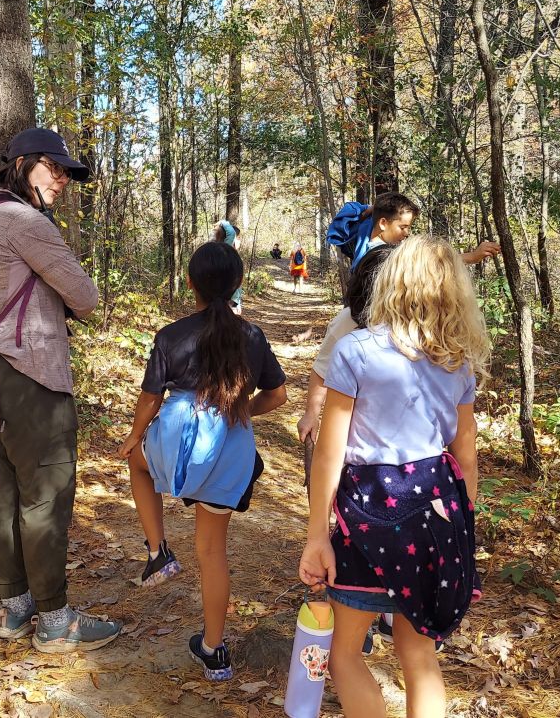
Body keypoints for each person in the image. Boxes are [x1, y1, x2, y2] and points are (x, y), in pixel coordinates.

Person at [299, 235, 490, 718]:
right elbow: (465, 459)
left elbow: (330, 453)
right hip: (436, 512)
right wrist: (464, 538)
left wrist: (316, 536)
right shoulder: (458, 361)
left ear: (393, 283)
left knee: (345, 653)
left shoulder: (356, 350)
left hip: (368, 512)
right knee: (419, 655)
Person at [0, 127, 121, 653]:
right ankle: (55, 621)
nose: (62, 181)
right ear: (24, 163)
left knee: (4, 491)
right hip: (28, 374)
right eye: (53, 169)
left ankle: (16, 608)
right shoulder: (24, 221)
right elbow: (86, 296)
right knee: (46, 493)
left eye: (67, 174)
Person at [118, 242, 288, 682]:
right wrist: (242, 411)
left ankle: (157, 552)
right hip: (229, 449)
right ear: (239, 285)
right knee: (213, 551)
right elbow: (278, 395)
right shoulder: (251, 335)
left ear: (190, 283)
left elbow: (151, 399)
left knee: (137, 464)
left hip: (177, 442)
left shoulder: (171, 336)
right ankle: (214, 652)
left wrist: (135, 437)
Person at [297, 193, 498, 447]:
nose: (406, 233)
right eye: (403, 227)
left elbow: (436, 263)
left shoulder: (419, 328)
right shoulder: (350, 322)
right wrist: (312, 414)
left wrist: (473, 256)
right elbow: (322, 368)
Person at [213, 220, 245, 313]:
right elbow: (230, 233)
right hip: (228, 300)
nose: (239, 241)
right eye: (237, 238)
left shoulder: (228, 253)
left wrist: (238, 302)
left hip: (232, 300)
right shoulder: (225, 251)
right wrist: (223, 222)